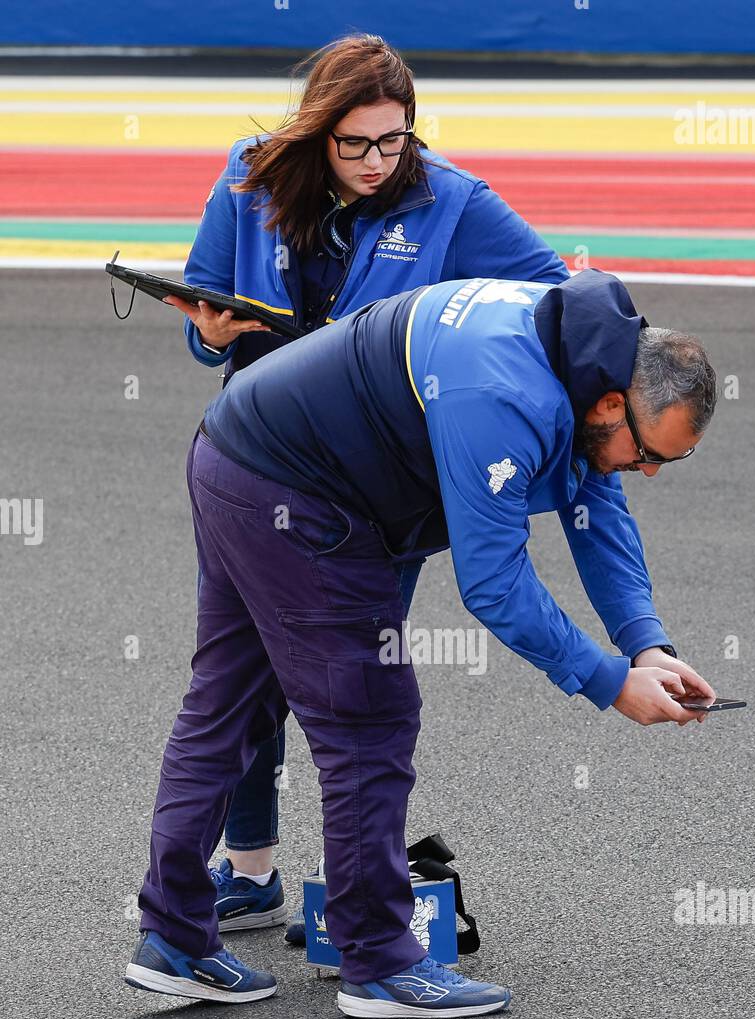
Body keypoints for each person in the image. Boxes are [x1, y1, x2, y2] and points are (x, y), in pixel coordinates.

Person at [126, 268, 717, 1019]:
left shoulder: (585, 356)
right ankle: (377, 962)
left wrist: (645, 645)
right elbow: (495, 583)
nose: (652, 472)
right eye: (649, 453)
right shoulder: (506, 395)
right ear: (612, 403)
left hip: (237, 454)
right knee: (369, 718)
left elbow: (595, 501)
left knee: (231, 703)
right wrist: (606, 681)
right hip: (299, 497)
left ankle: (175, 938)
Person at [164, 33, 569, 938]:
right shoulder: (250, 175)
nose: (380, 162)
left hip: (378, 490)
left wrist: (475, 375)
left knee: (357, 691)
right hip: (255, 462)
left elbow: (558, 302)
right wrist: (212, 335)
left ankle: (368, 915)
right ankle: (252, 872)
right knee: (242, 677)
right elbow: (200, 315)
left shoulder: (453, 199)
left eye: (397, 140)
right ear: (317, 133)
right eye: (358, 144)